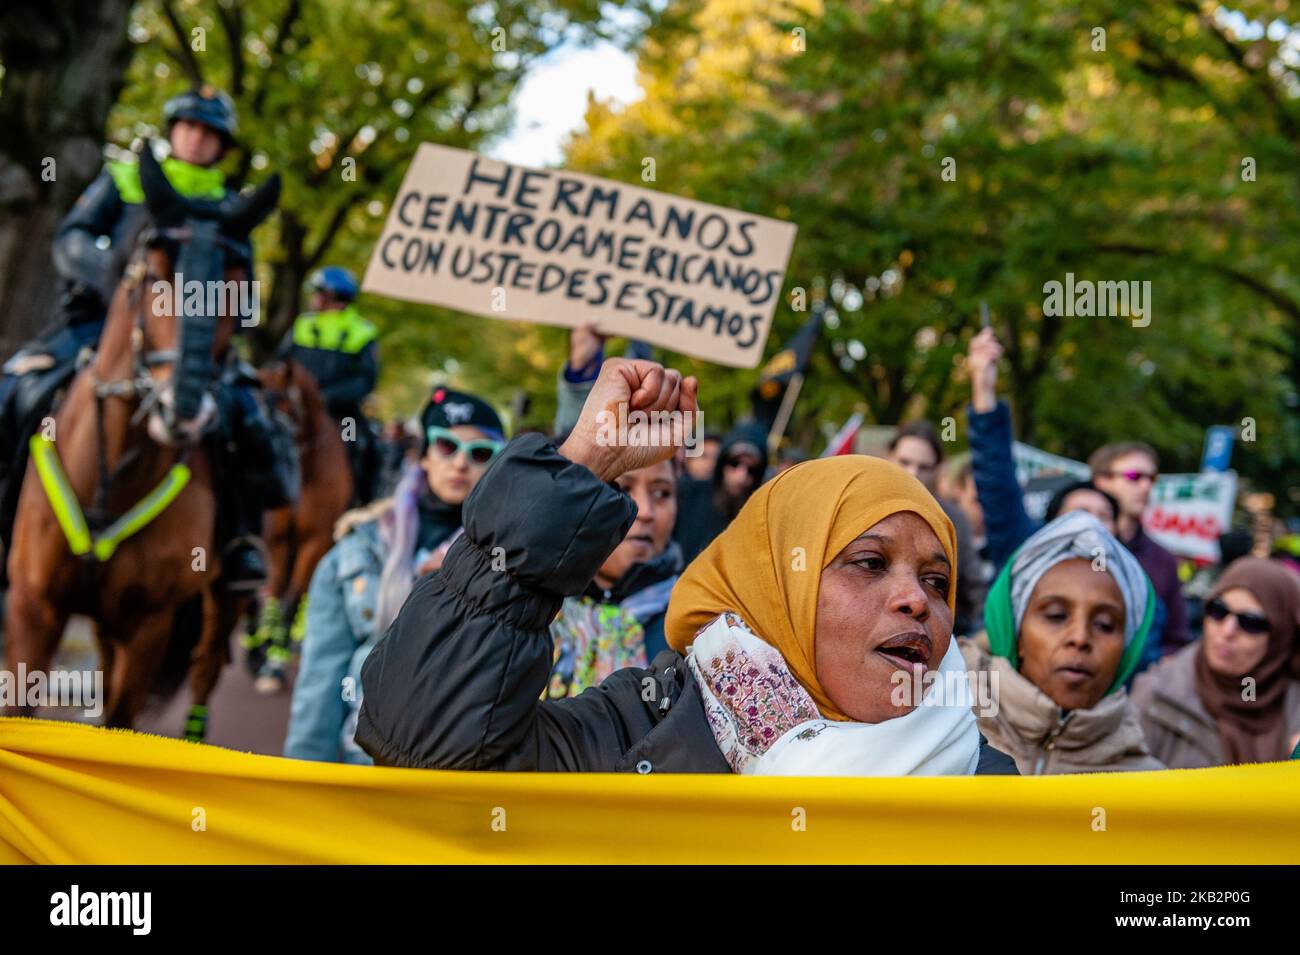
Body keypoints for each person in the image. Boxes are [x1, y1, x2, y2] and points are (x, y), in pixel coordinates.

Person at [355, 358, 1017, 775]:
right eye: (869, 562)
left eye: (937, 581)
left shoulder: (981, 785)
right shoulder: (639, 730)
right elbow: (426, 742)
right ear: (775, 585)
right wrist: (584, 462)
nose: (916, 601)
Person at [0, 86, 284, 589]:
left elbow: (243, 297)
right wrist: (120, 284)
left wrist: (216, 325)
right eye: (189, 127)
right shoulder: (124, 178)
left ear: (222, 147)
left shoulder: (230, 207)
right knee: (18, 391)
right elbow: (71, 240)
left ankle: (238, 542)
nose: (197, 139)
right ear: (173, 130)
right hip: (98, 325)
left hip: (188, 343)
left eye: (210, 133)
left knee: (248, 420)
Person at [282, 387, 505, 762]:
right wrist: (304, 775)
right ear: (424, 456)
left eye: (480, 453)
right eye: (447, 446)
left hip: (460, 767)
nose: (460, 463)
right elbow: (321, 677)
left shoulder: (511, 556)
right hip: (361, 756)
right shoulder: (357, 549)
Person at [959, 511, 1164, 774]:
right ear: (1015, 633)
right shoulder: (943, 731)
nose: (1080, 638)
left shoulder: (1148, 787)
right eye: (1055, 616)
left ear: (1126, 649)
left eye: (1104, 625)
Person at [1131, 558, 1300, 768]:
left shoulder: (1294, 704)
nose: (1227, 631)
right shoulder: (1156, 694)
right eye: (1218, 610)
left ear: (1281, 636)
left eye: (1250, 622)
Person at [278, 266, 380, 504]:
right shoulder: (302, 324)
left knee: (361, 445)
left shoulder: (363, 331)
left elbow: (366, 380)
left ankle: (359, 504)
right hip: (296, 408)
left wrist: (328, 397)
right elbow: (281, 364)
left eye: (318, 292)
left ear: (331, 296)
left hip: (343, 414)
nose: (313, 297)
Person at [1089, 441, 1189, 655]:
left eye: (1152, 478)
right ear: (1101, 480)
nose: (1146, 487)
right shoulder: (1073, 546)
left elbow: (1176, 640)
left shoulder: (1164, 561)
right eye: (1134, 476)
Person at [887, 421, 985, 637]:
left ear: (938, 470)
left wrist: (981, 635)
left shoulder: (953, 520)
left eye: (924, 467)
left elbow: (975, 587)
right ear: (889, 457)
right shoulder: (862, 509)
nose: (913, 473)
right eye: (904, 462)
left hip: (934, 634)